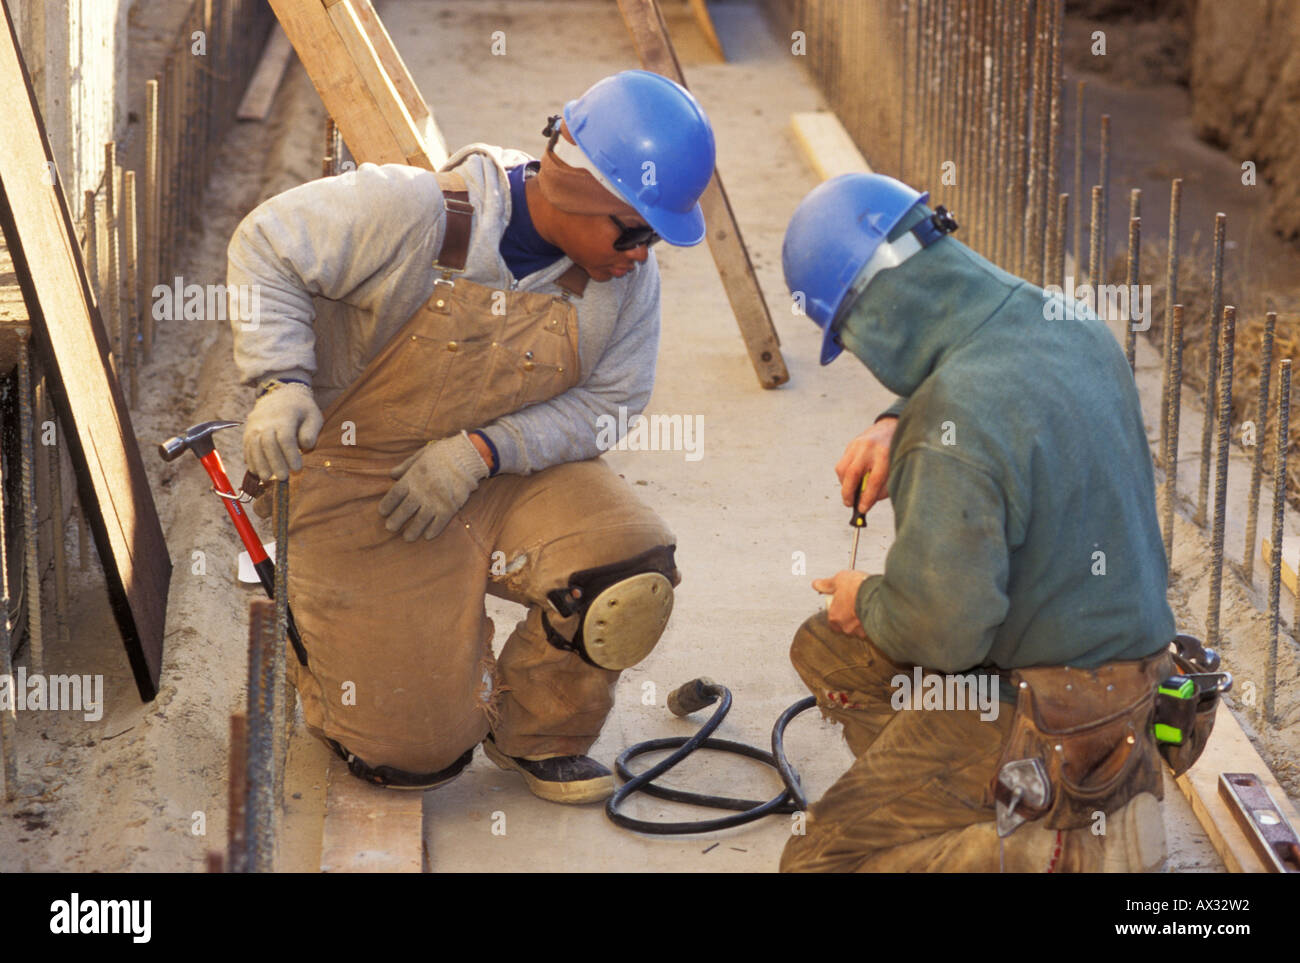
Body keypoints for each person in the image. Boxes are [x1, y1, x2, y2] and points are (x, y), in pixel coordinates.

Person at [225, 70, 716, 803]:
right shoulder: (415, 211)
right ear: (584, 193)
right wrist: (280, 380)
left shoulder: (622, 285)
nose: (642, 255)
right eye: (636, 229)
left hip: (497, 474)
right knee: (412, 755)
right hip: (361, 482)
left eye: (655, 239)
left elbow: (610, 405)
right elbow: (267, 243)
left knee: (628, 571)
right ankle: (386, 674)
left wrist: (483, 451)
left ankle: (539, 732)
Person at [778, 172, 1178, 871]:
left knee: (816, 861)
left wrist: (863, 595)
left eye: (850, 337)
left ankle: (1038, 845)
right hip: (1139, 684)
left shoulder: (951, 420)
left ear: (873, 313)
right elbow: (1009, 391)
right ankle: (1030, 798)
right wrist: (897, 421)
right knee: (830, 650)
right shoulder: (1071, 322)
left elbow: (943, 632)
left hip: (1045, 712)